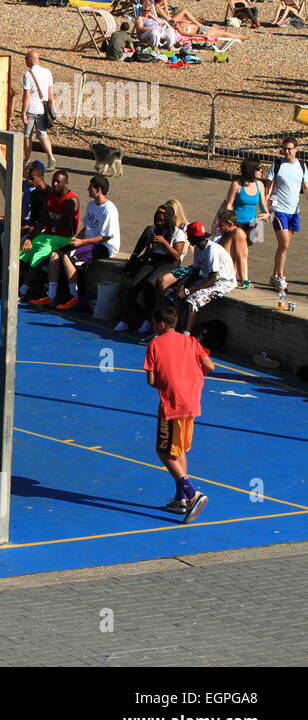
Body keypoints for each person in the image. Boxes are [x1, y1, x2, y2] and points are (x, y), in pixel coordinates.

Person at [144, 305, 213, 522]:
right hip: (192, 401)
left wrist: (172, 383)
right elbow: (209, 366)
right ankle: (180, 498)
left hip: (172, 404)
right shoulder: (191, 341)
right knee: (179, 448)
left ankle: (192, 494)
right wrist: (190, 378)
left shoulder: (155, 343)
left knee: (164, 451)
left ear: (161, 324)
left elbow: (152, 380)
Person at [31, 174, 120, 310]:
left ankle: (75, 297)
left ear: (99, 190)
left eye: (90, 187)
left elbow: (105, 237)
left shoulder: (109, 210)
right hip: (87, 242)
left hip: (103, 246)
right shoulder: (91, 204)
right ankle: (51, 296)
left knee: (68, 257)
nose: (87, 189)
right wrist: (77, 238)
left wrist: (82, 243)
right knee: (55, 255)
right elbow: (87, 227)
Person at [115, 201, 188, 334]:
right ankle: (124, 319)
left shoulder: (178, 233)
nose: (159, 223)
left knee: (150, 284)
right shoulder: (155, 231)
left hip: (169, 262)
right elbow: (149, 254)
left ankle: (149, 319)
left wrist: (164, 242)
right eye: (157, 220)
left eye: (161, 220)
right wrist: (150, 245)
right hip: (154, 259)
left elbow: (176, 256)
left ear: (168, 220)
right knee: (134, 284)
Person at [160, 222, 236, 334]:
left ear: (195, 237)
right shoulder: (198, 249)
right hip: (206, 278)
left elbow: (212, 281)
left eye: (189, 236)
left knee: (192, 301)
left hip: (222, 282)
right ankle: (170, 331)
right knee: (171, 295)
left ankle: (186, 336)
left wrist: (187, 291)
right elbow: (195, 274)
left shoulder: (212, 251)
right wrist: (182, 286)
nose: (187, 239)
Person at [268, 135, 305, 293]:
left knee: (283, 247)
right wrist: (265, 208)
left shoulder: (302, 166)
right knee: (285, 244)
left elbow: (306, 187)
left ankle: (274, 275)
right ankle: (280, 277)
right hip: (279, 209)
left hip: (294, 211)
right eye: (284, 149)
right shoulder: (277, 165)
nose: (286, 151)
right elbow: (268, 187)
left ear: (297, 150)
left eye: (289, 149)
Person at [20, 49, 56, 169]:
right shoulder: (47, 72)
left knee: (27, 135)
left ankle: (26, 161)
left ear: (30, 60)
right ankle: (51, 157)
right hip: (43, 109)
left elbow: (27, 95)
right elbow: (51, 93)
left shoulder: (27, 74)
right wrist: (51, 109)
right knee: (43, 134)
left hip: (31, 109)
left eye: (25, 58)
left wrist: (23, 112)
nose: (25, 60)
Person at [220, 158, 270, 239]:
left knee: (246, 249)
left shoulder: (260, 185)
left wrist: (267, 214)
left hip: (253, 224)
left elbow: (263, 205)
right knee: (236, 249)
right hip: (237, 223)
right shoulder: (237, 184)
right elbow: (229, 205)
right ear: (250, 170)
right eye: (258, 168)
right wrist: (228, 222)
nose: (261, 170)